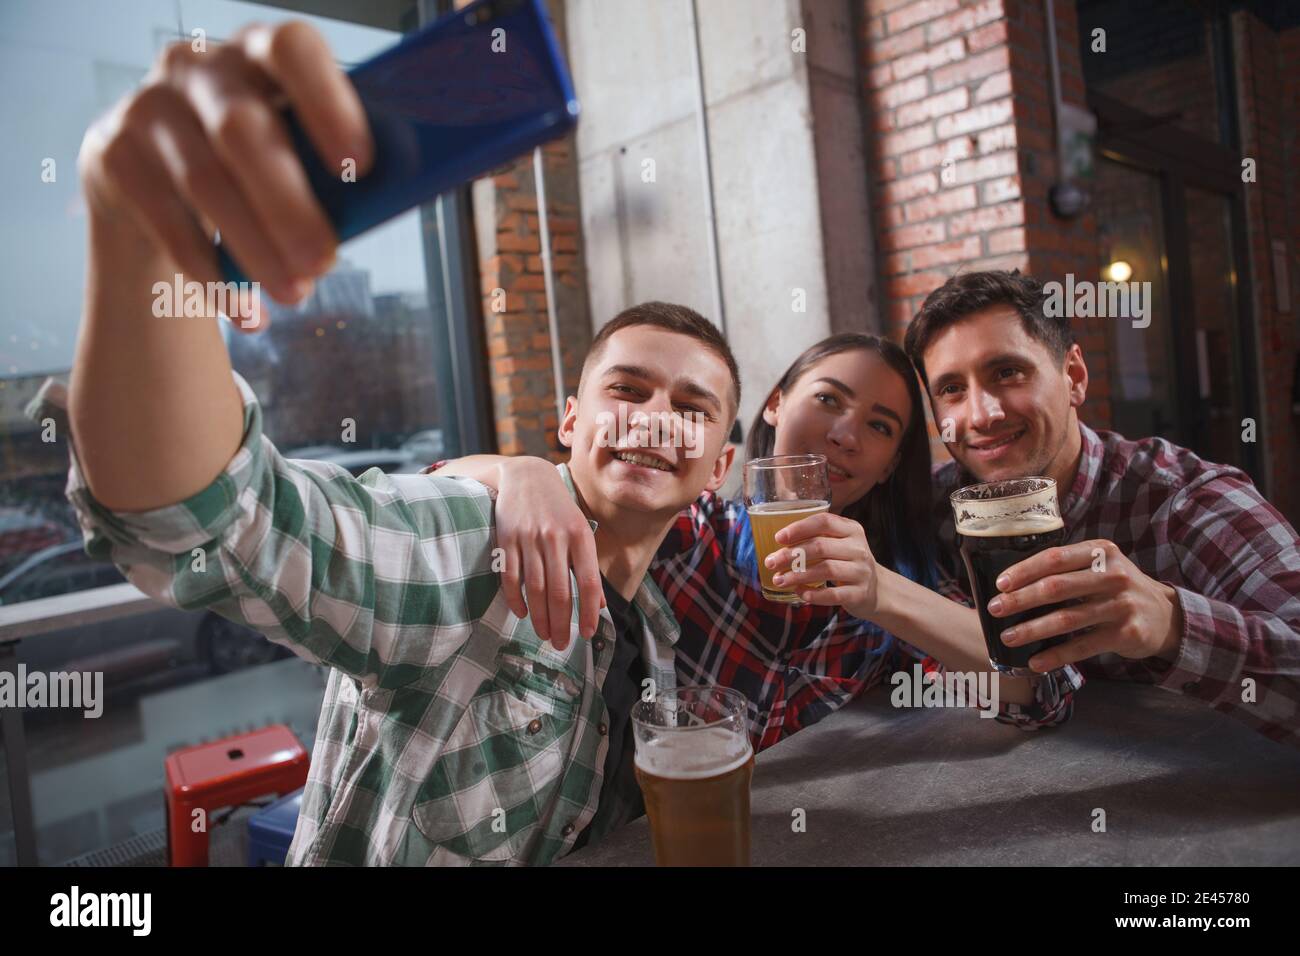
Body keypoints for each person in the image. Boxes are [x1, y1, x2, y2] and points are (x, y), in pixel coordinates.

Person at [66, 19, 747, 865]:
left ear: (720, 465)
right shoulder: (474, 547)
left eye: (690, 405)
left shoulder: (657, 625)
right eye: (626, 389)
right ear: (570, 420)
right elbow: (219, 522)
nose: (651, 418)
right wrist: (137, 234)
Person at [438, 334, 1077, 749]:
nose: (845, 435)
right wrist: (521, 472)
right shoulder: (690, 528)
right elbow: (439, 490)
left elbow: (1038, 691)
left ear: (888, 465)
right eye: (827, 399)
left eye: (879, 427)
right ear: (774, 406)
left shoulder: (884, 601)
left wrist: (880, 594)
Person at [896, 269, 1300, 748]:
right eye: (951, 390)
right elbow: (1028, 693)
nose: (982, 415)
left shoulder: (1182, 498)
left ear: (1074, 377)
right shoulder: (936, 514)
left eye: (1007, 372)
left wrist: (1174, 625)